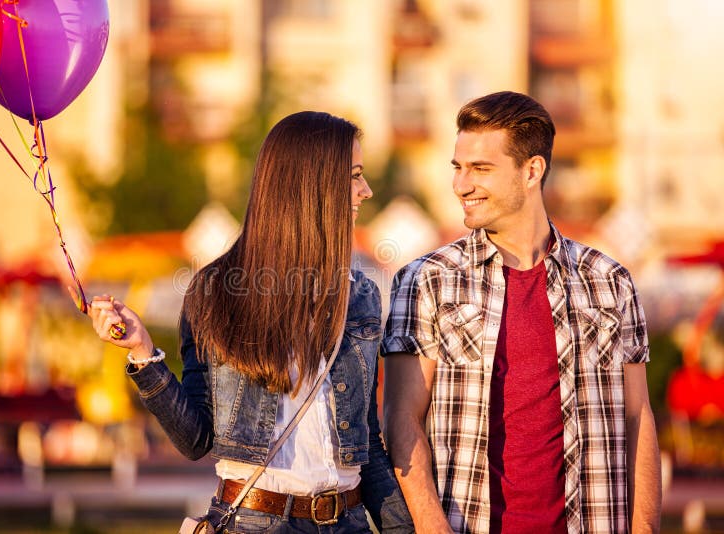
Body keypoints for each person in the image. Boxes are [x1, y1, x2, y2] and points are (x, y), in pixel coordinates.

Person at [80, 111, 413, 533]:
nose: (365, 191)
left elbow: (367, 443)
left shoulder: (360, 295)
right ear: (311, 185)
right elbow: (195, 439)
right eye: (354, 176)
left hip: (349, 522)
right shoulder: (216, 292)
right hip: (256, 522)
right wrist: (144, 353)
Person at [381, 91, 661, 533]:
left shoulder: (610, 282)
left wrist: (645, 528)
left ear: (532, 170)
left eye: (480, 169)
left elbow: (638, 415)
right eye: (458, 167)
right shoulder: (425, 282)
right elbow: (401, 419)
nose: (461, 185)